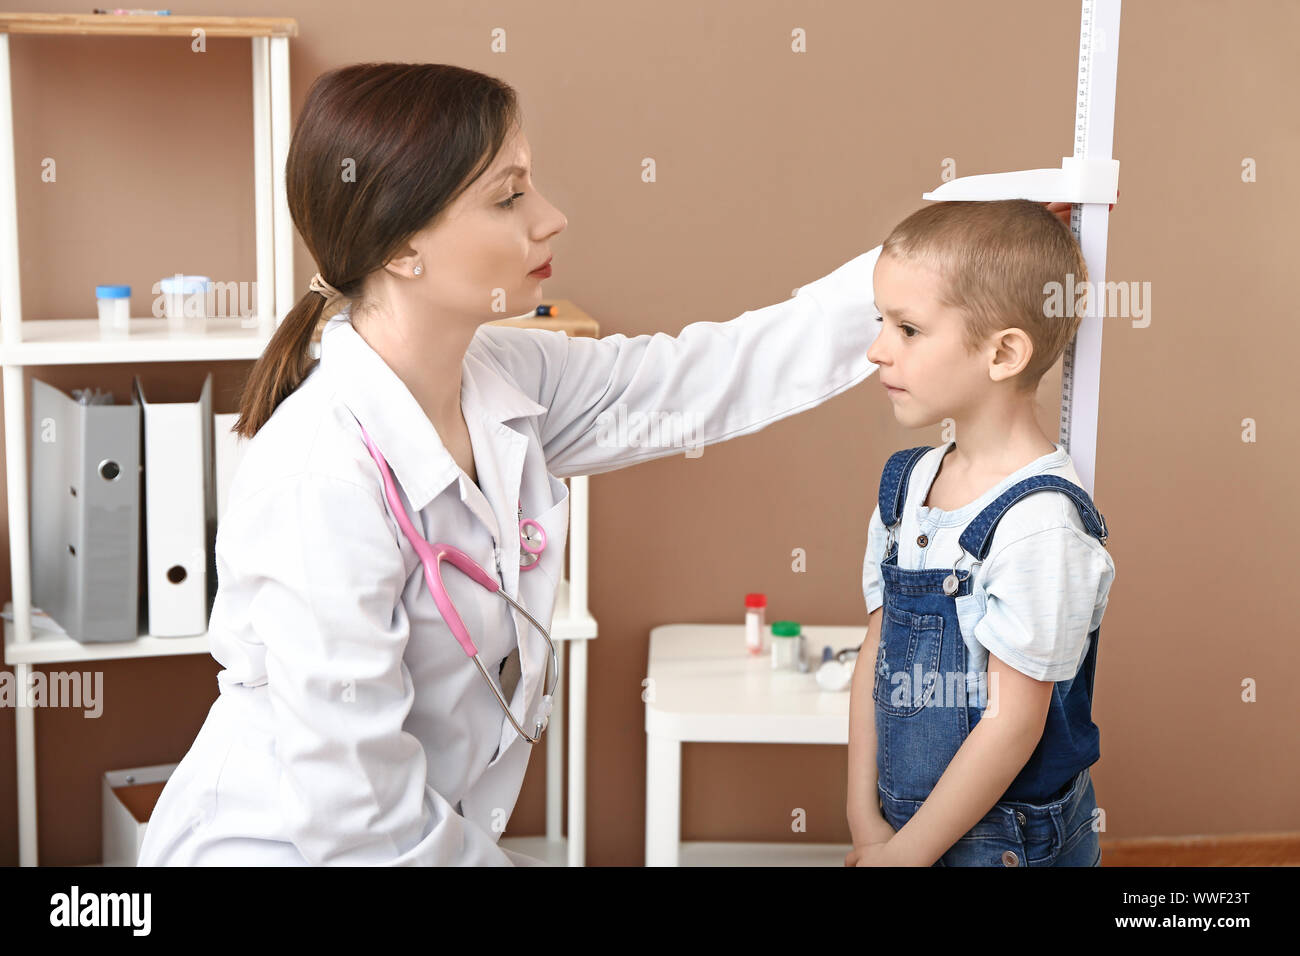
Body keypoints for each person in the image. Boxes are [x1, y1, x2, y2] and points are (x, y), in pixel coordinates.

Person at [845, 199, 1116, 867]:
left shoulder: (1041, 526)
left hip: (1006, 845)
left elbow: (1013, 724)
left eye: (908, 329)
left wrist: (909, 853)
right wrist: (864, 816)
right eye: (881, 322)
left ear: (1003, 353)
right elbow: (875, 655)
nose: (878, 349)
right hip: (903, 822)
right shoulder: (907, 486)